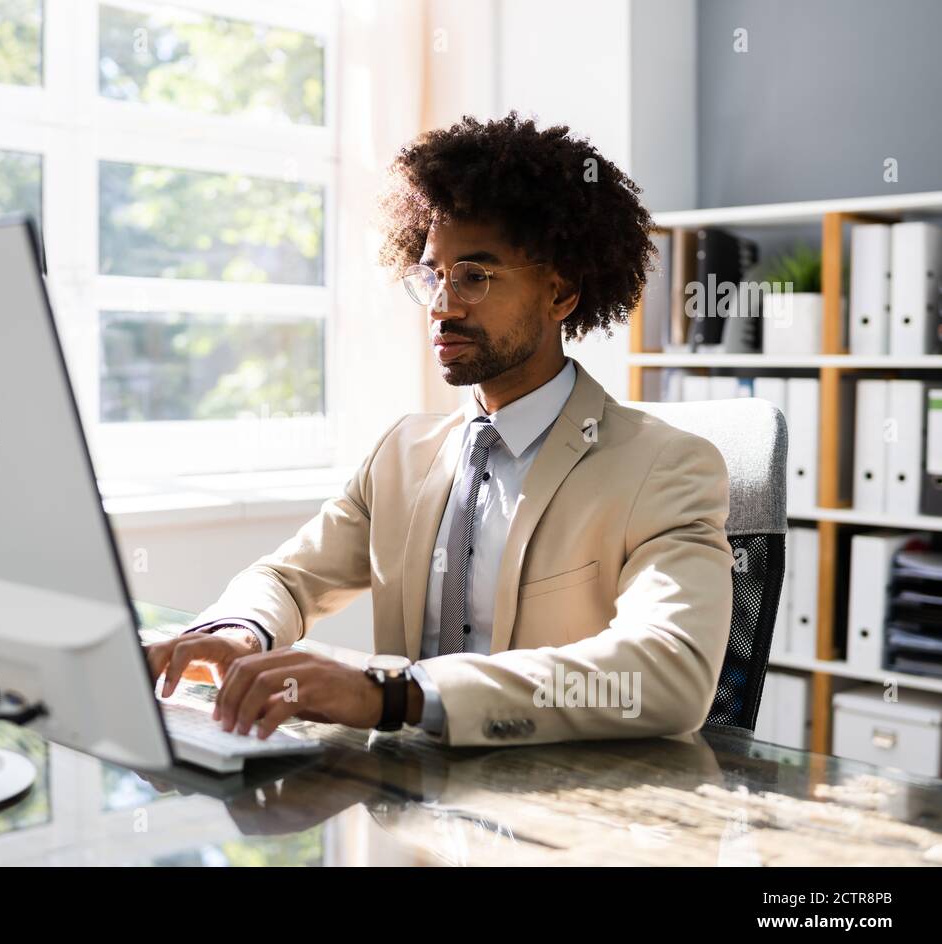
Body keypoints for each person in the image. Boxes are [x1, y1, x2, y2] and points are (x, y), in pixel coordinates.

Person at [146, 112, 733, 747]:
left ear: (561, 293)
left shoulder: (665, 467)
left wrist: (396, 695)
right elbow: (288, 579)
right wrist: (238, 632)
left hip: (559, 819)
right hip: (404, 815)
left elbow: (668, 672)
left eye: (475, 277)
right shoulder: (403, 453)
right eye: (432, 275)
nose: (443, 306)